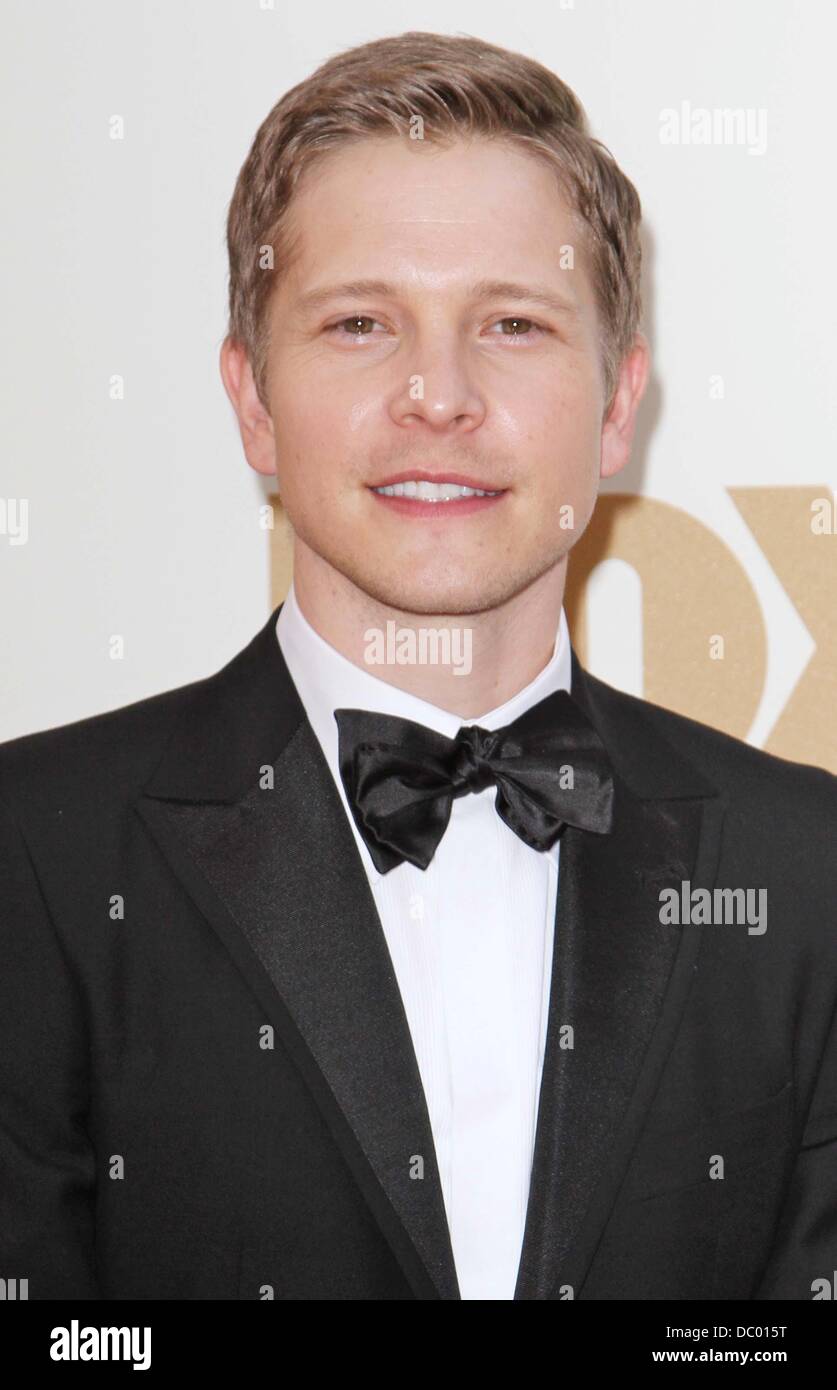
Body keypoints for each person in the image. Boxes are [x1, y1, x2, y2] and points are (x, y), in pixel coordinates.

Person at [1, 30, 835, 1302]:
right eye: (358, 324)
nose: (437, 395)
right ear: (253, 401)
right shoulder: (33, 855)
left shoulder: (805, 870)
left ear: (619, 404)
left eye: (512, 323)